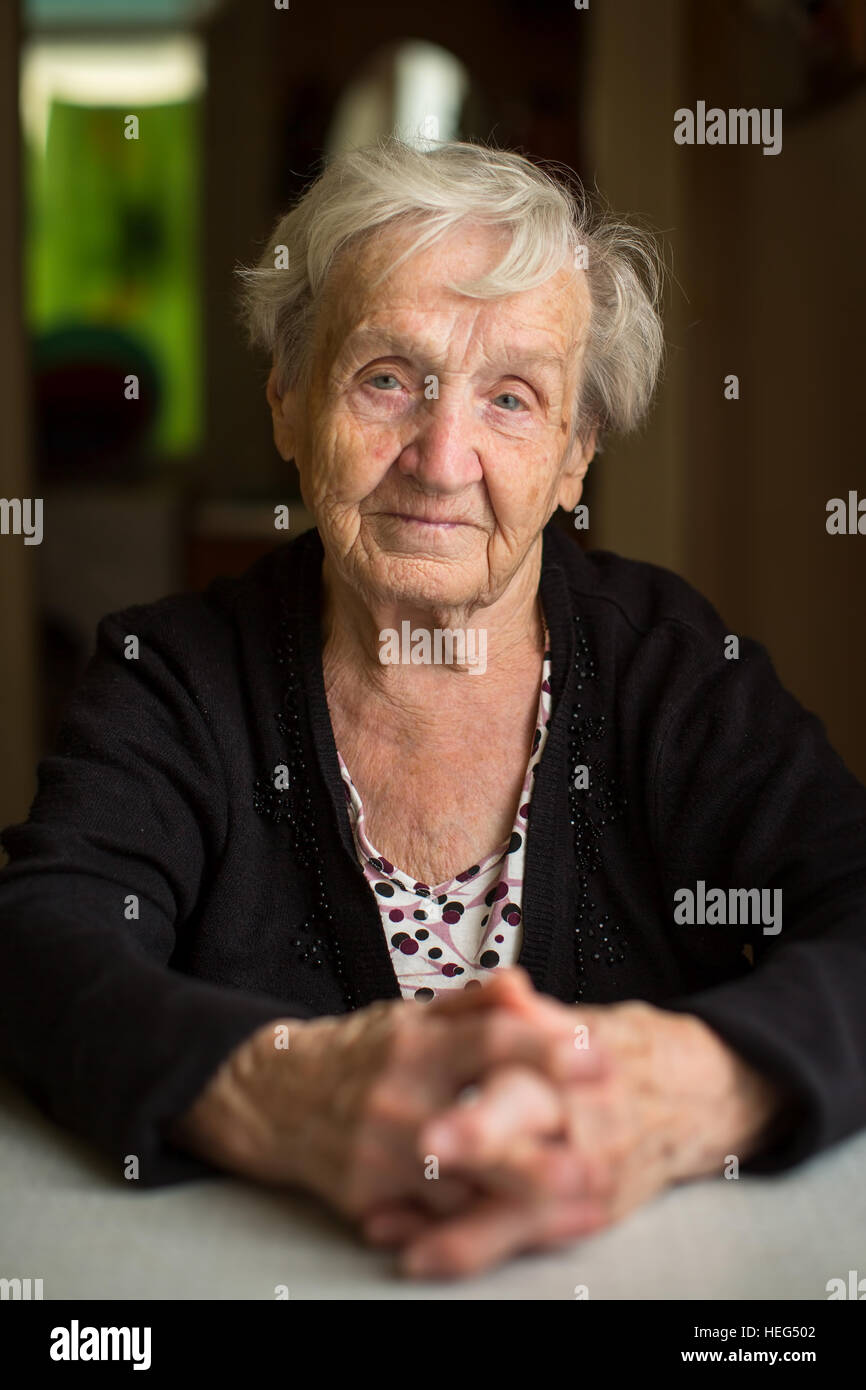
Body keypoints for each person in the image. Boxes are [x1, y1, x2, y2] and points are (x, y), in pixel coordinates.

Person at [2, 139, 865, 1282]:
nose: (440, 457)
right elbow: (40, 945)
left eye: (511, 397)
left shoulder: (673, 669)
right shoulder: (177, 676)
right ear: (287, 401)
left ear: (574, 455)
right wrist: (282, 1089)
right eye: (385, 379)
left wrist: (696, 1083)